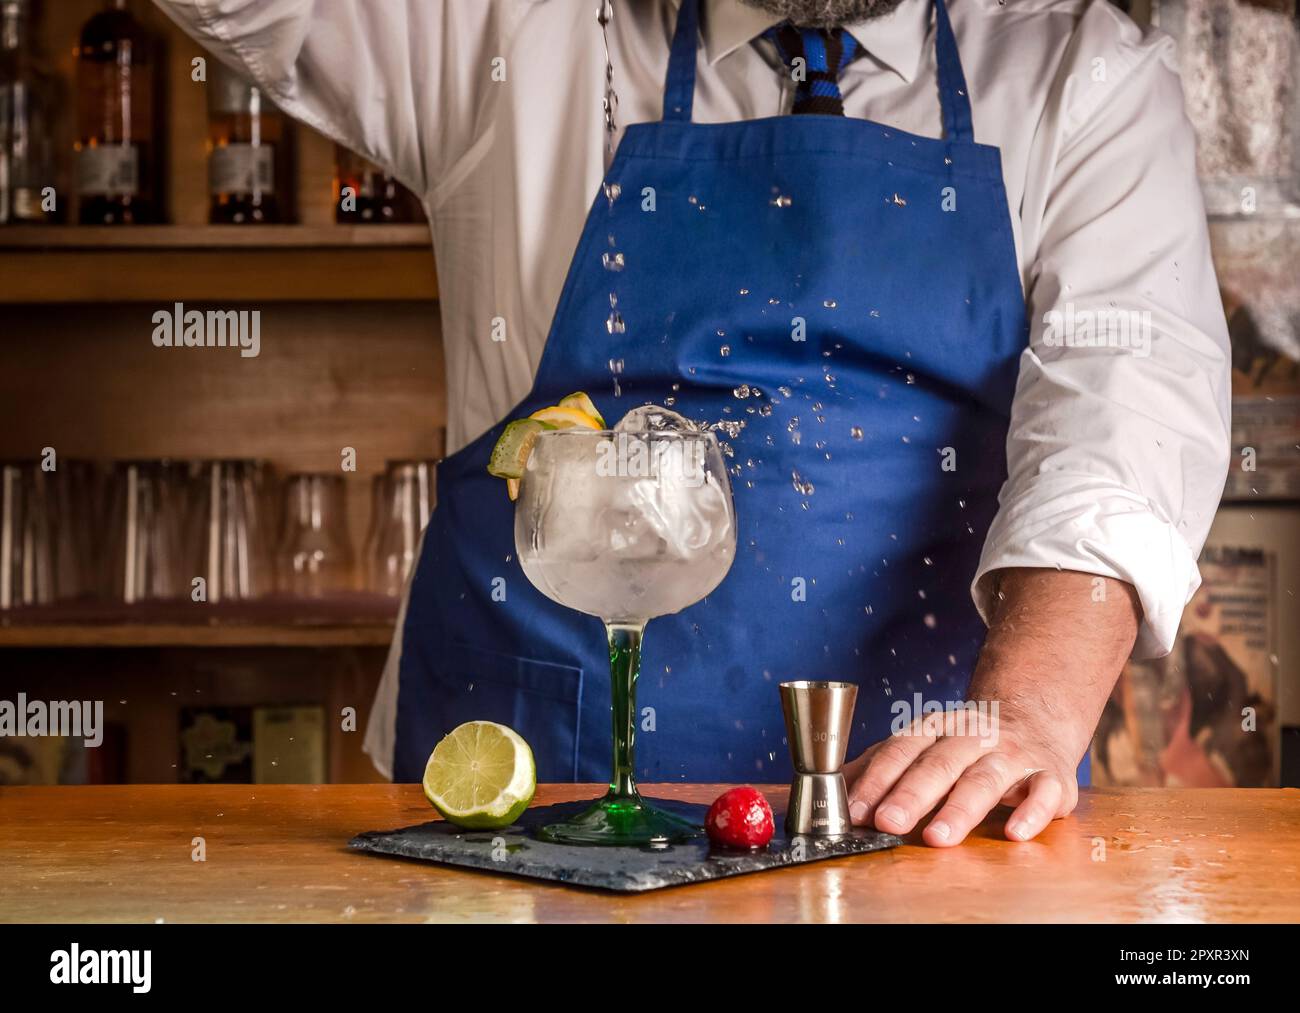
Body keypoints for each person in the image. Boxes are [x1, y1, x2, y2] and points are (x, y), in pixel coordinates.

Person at [155, 0, 1230, 846]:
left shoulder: (1082, 74)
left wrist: (1029, 710)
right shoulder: (506, 31)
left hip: (920, 806)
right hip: (536, 807)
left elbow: (1126, 407)